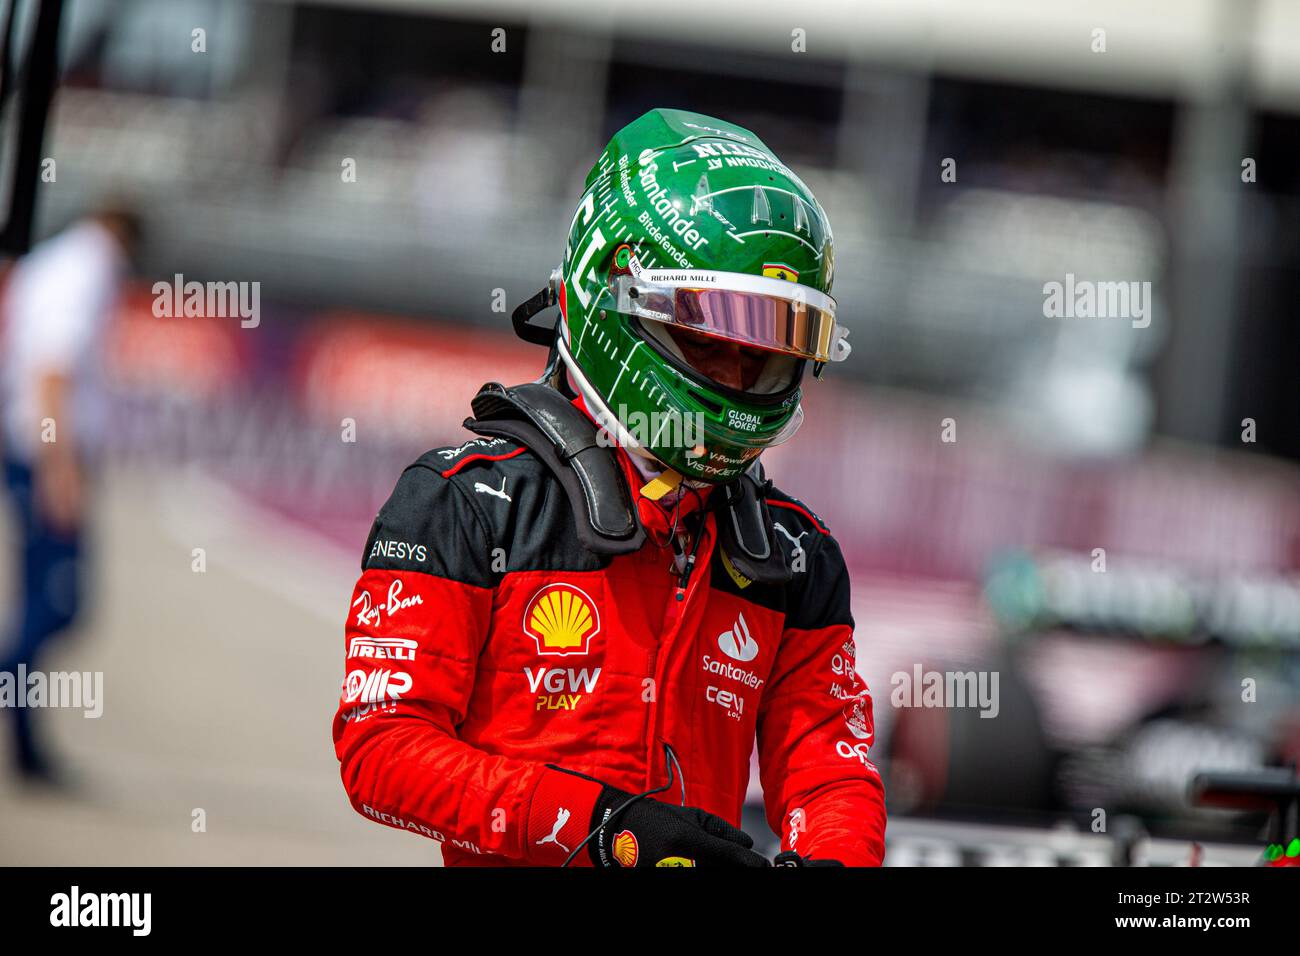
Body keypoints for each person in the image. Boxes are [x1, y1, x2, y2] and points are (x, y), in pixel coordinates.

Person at [331, 109, 885, 866]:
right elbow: (380, 749)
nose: (735, 377)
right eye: (710, 339)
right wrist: (602, 830)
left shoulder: (797, 556)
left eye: (763, 354)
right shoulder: (463, 503)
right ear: (608, 294)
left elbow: (831, 780)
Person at [0, 206, 141, 781]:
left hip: (32, 448)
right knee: (57, 603)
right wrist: (60, 468)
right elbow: (52, 371)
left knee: (42, 602)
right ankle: (19, 719)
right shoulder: (84, 271)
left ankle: (28, 748)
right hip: (45, 455)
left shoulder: (53, 262)